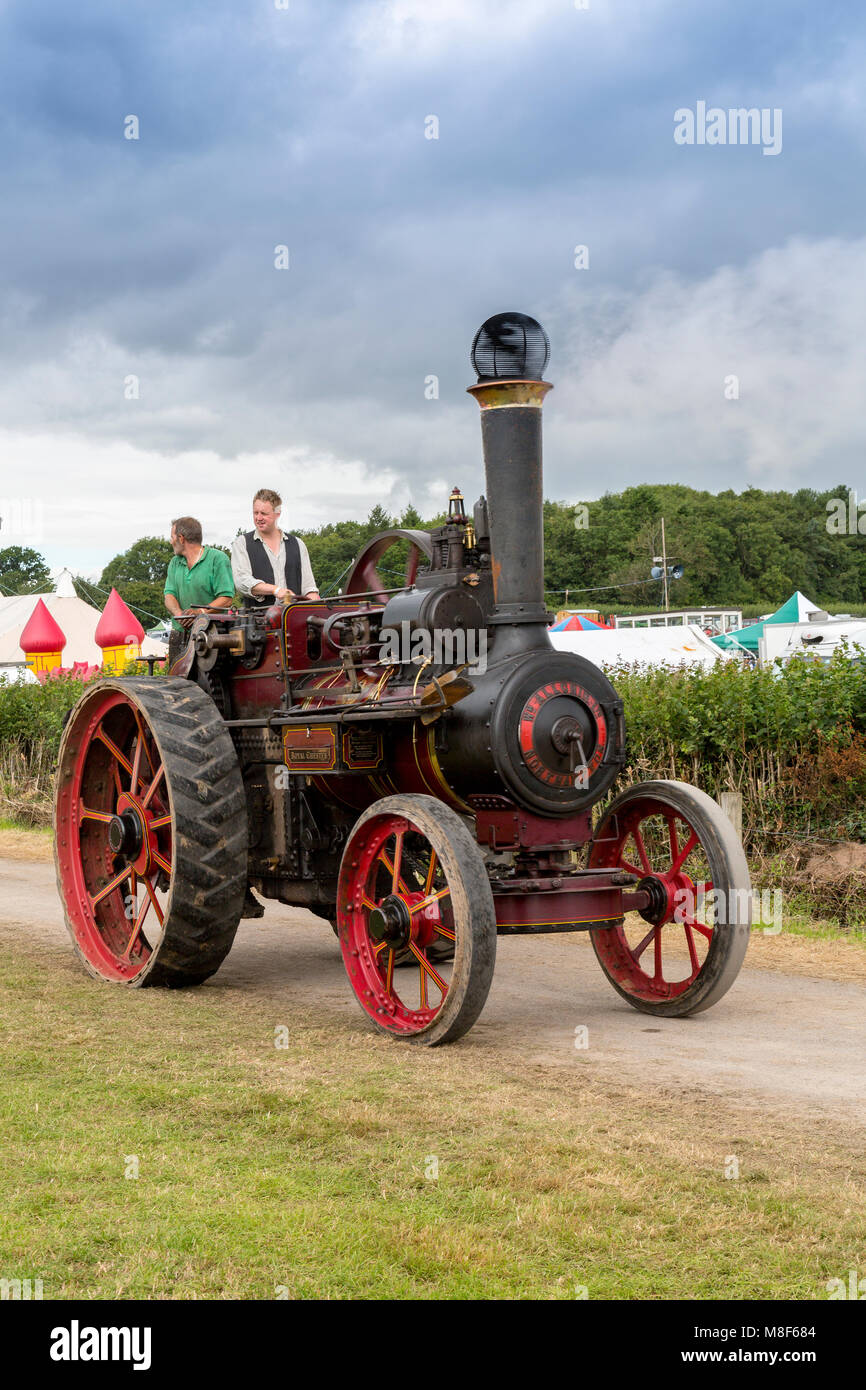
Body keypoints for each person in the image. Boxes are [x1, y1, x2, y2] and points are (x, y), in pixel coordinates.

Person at [230, 489, 319, 607]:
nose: (259, 518)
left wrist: (316, 603)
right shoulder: (242, 543)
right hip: (258, 620)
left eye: (264, 513)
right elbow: (242, 581)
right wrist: (275, 590)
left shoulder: (298, 544)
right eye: (255, 513)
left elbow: (309, 587)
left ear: (278, 513)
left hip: (293, 619)